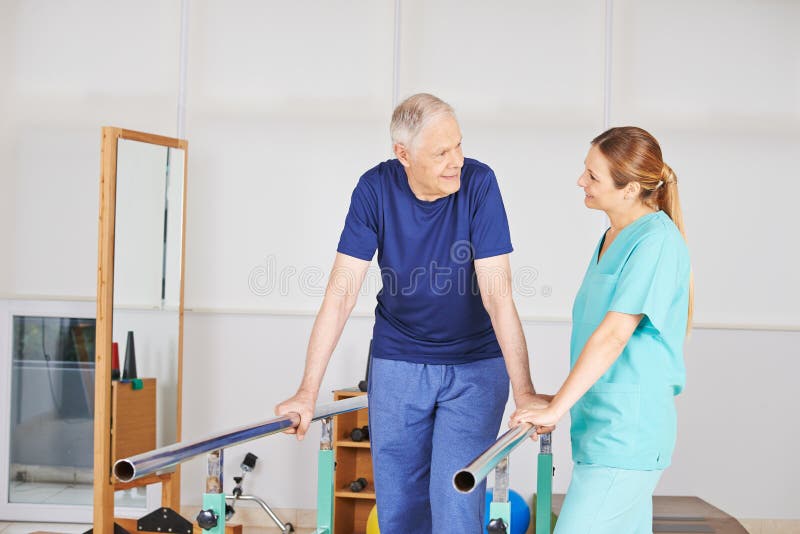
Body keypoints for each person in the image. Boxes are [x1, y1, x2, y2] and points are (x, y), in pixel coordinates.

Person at [274, 93, 544, 533]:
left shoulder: (479, 183)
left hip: (474, 366)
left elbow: (498, 295)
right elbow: (341, 294)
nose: (456, 160)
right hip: (397, 361)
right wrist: (307, 391)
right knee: (399, 510)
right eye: (441, 152)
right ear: (403, 154)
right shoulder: (375, 189)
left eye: (459, 145)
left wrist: (525, 391)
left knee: (455, 505)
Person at [511, 126, 693, 533]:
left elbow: (614, 335)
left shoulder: (656, 242)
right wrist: (558, 399)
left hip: (627, 435)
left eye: (593, 176)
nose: (581, 181)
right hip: (600, 431)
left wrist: (557, 408)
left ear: (630, 189)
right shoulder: (613, 236)